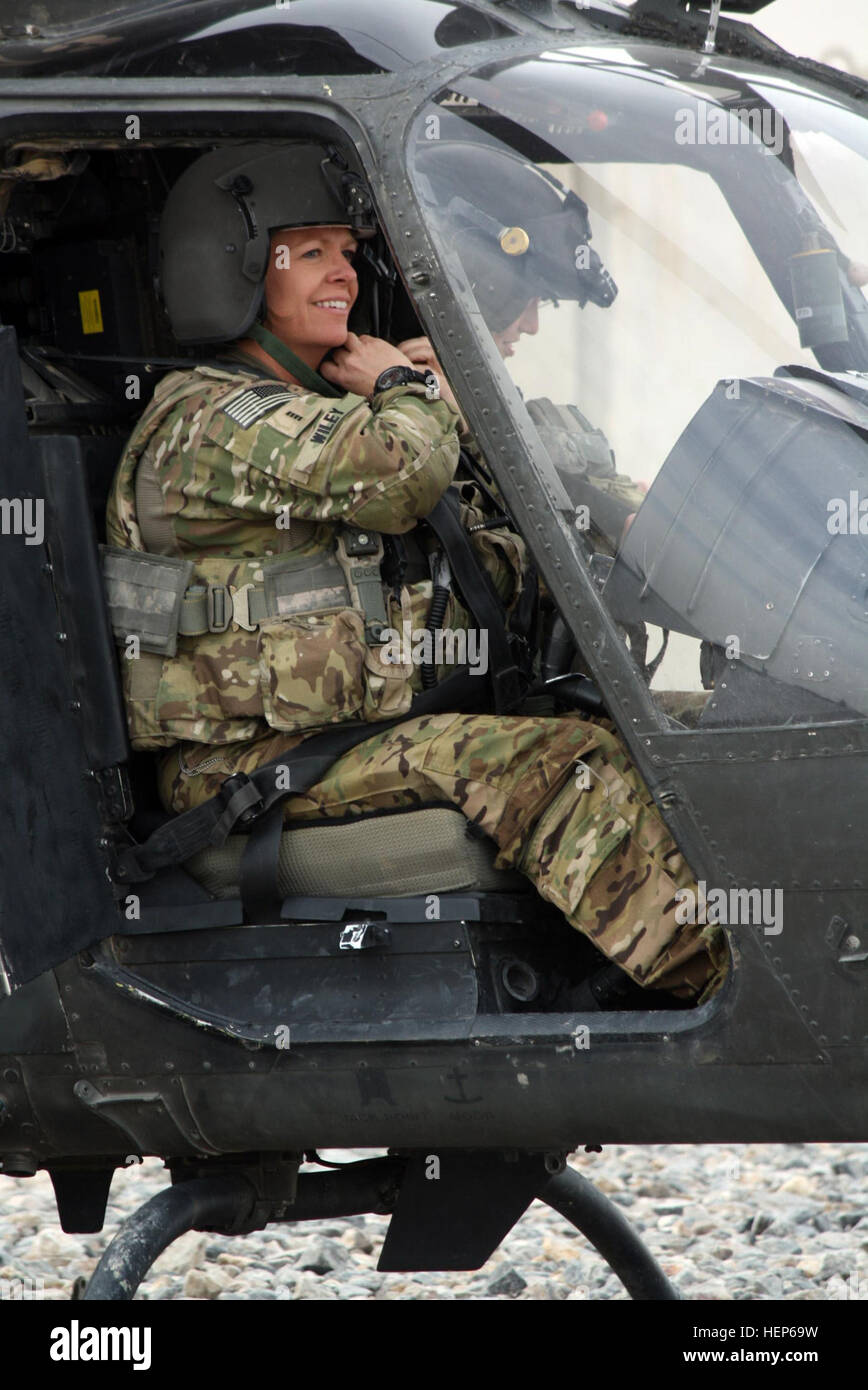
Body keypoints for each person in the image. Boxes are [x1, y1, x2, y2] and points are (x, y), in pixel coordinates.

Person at [105, 142, 726, 1007]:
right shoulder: (209, 417)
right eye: (310, 252)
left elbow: (481, 516)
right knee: (559, 764)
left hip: (348, 733)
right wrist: (402, 383)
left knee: (689, 732)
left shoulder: (329, 407)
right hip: (247, 762)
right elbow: (400, 472)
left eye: (348, 254)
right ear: (239, 266)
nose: (343, 276)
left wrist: (445, 401)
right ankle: (724, 990)